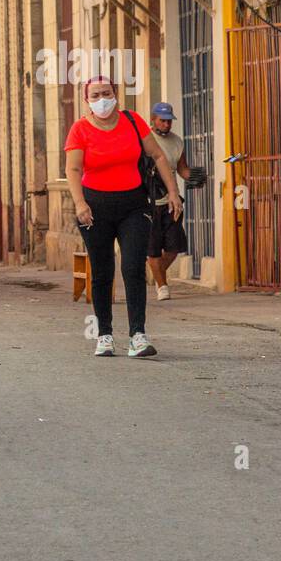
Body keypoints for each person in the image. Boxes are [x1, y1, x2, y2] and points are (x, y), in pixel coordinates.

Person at [65, 77, 182, 358]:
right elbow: (73, 170)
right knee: (103, 271)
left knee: (132, 267)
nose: (102, 98)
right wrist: (80, 204)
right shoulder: (80, 129)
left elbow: (158, 156)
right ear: (87, 100)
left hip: (134, 205)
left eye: (106, 93)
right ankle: (104, 335)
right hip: (94, 207)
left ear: (115, 94)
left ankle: (137, 335)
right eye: (95, 95)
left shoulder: (133, 121)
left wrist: (173, 192)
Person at [147, 102, 192, 300]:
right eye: (162, 121)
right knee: (153, 247)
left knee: (174, 246)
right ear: (153, 120)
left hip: (172, 201)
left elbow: (182, 168)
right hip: (149, 202)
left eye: (169, 121)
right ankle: (162, 286)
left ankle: (157, 273)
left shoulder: (177, 142)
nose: (166, 125)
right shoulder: (145, 140)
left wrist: (196, 176)